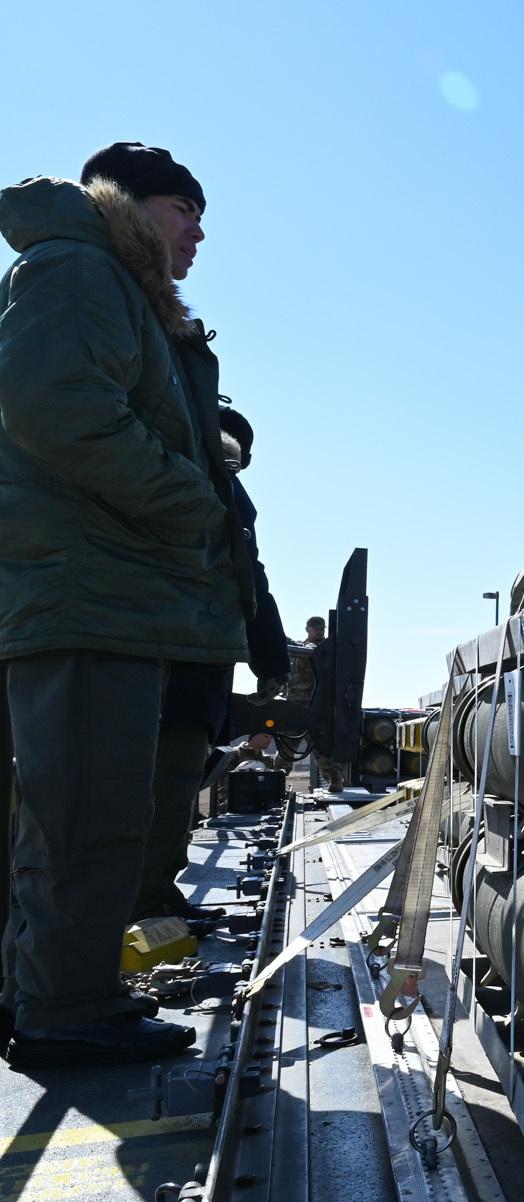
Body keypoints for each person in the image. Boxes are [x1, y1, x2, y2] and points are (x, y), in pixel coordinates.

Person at [0, 142, 253, 1065]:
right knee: (88, 811)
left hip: (97, 590)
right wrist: (192, 497)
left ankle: (41, 991)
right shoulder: (81, 268)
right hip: (87, 591)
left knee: (79, 808)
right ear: (135, 206)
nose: (195, 234)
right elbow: (55, 405)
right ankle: (68, 1007)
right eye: (185, 210)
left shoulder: (109, 286)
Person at [137, 408, 290, 921]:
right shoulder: (215, 484)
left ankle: (151, 898)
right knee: (170, 785)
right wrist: (271, 657)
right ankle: (149, 905)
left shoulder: (149, 468)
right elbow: (246, 573)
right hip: (189, 654)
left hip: (143, 645)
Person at [287, 614, 346, 791]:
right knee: (285, 749)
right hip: (295, 706)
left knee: (322, 748)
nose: (319, 631)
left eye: (322, 628)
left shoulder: (328, 650)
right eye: (316, 628)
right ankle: (273, 782)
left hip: (317, 705)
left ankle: (335, 780)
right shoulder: (298, 647)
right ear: (308, 629)